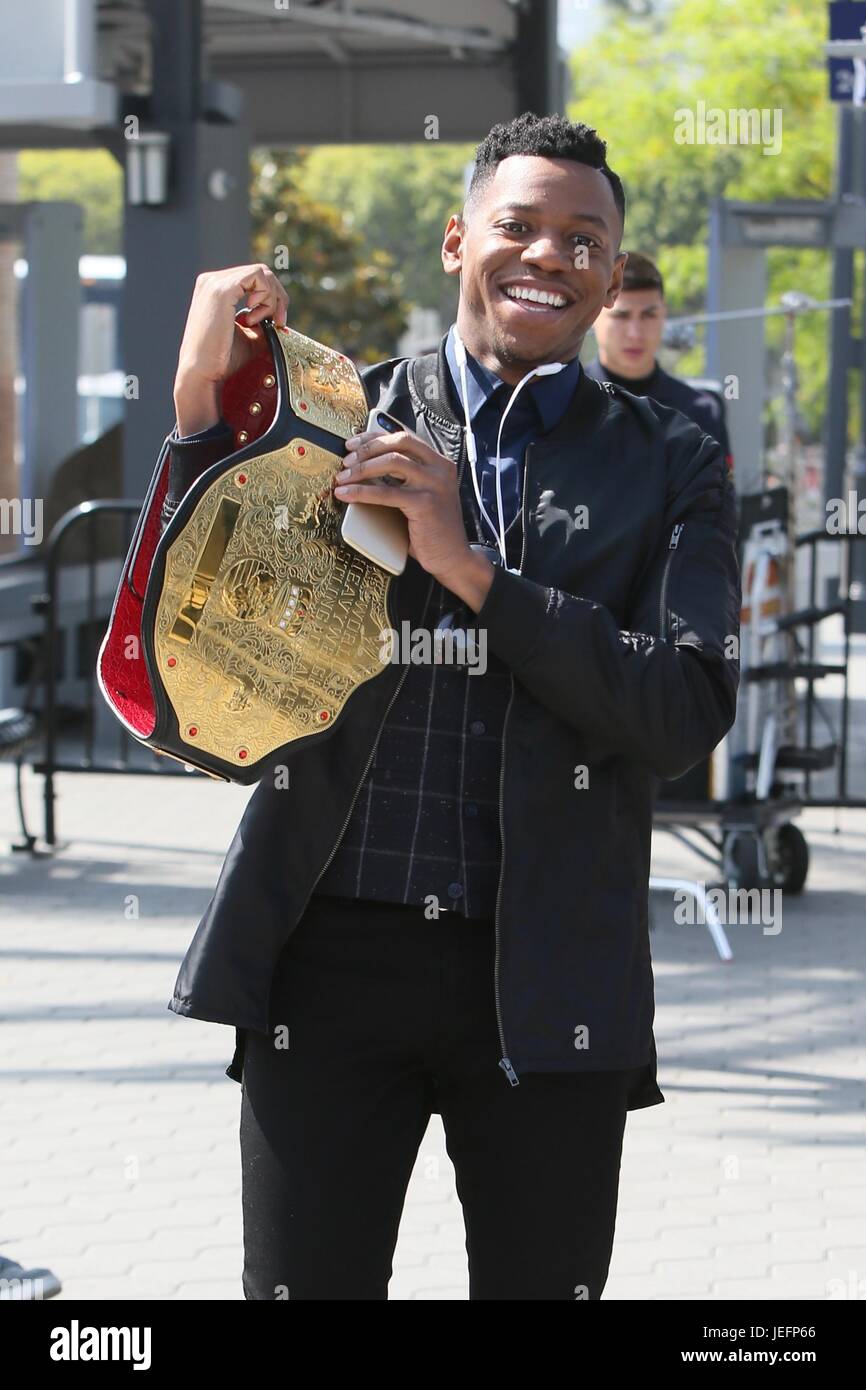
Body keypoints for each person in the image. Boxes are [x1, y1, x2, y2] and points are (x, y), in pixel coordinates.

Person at [161, 112, 741, 1300]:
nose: (549, 256)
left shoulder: (673, 458)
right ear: (453, 241)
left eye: (584, 241)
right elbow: (195, 653)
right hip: (326, 961)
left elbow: (681, 708)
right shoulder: (335, 417)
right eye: (517, 226)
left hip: (549, 976)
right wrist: (195, 418)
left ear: (608, 273)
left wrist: (474, 569)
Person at [585, 250, 733, 468]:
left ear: (664, 315)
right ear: (593, 314)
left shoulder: (699, 411)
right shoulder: (562, 402)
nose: (635, 333)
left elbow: (719, 498)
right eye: (621, 316)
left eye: (648, 315)